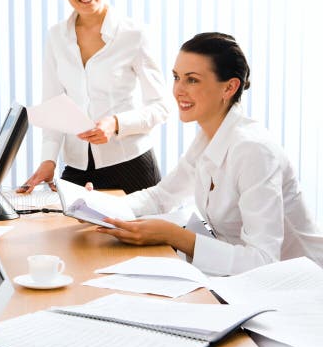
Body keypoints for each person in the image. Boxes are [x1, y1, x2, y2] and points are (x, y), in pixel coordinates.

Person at [97, 32, 323, 276]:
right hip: (238, 279)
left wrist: (176, 236)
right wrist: (97, 206)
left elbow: (263, 261)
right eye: (176, 77)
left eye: (192, 80)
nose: (178, 90)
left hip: (296, 287)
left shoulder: (253, 151)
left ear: (229, 87)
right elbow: (162, 197)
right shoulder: (209, 136)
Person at [19, 0, 171, 195]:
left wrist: (117, 124)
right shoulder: (56, 37)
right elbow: (53, 106)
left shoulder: (135, 35)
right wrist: (48, 160)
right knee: (64, 234)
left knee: (140, 235)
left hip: (131, 165)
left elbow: (162, 107)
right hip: (77, 167)